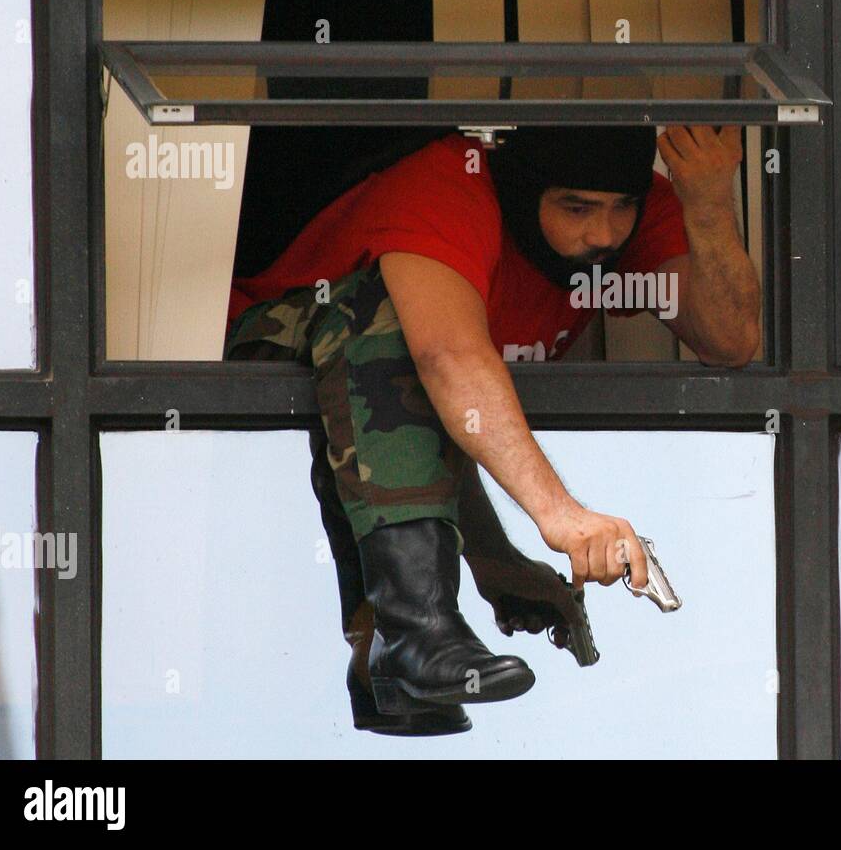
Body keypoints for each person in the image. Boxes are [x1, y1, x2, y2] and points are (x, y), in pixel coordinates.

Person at [222, 124, 761, 735]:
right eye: (576, 208)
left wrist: (710, 203)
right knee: (395, 318)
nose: (604, 234)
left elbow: (730, 340)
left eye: (622, 209)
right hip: (262, 344)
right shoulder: (448, 184)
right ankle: (413, 634)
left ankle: (391, 659)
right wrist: (559, 515)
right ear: (521, 189)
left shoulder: (620, 225)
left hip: (377, 397)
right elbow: (446, 360)